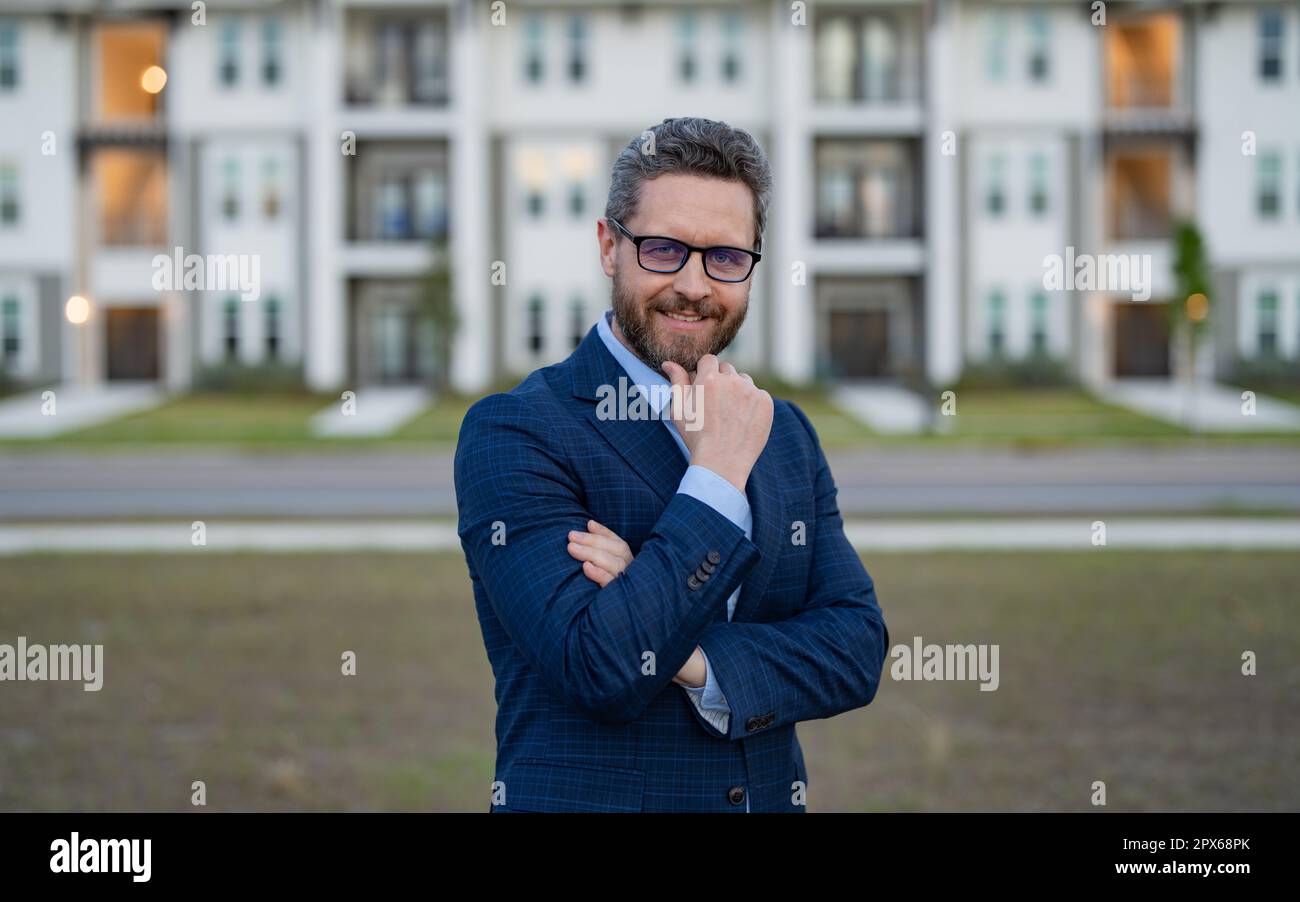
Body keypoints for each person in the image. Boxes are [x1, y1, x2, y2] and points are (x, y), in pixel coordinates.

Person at [455, 116, 889, 813]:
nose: (694, 285)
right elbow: (596, 666)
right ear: (609, 247)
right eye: (663, 249)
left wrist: (687, 655)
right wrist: (715, 478)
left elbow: (856, 651)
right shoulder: (517, 431)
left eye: (725, 257)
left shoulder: (783, 433)